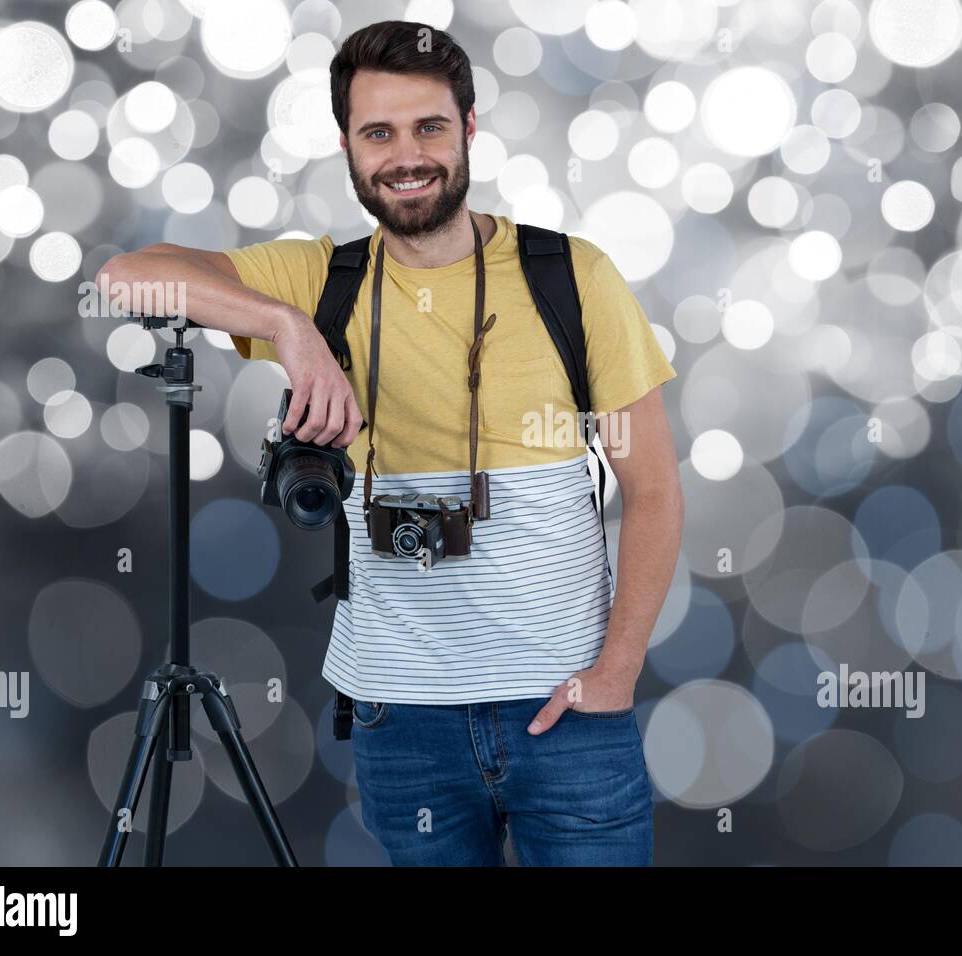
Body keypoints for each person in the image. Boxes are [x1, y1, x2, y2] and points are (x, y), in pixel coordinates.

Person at [98, 19, 684, 866]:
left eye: (429, 128)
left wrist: (620, 669)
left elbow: (656, 490)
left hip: (567, 716)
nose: (406, 155)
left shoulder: (572, 277)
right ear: (347, 147)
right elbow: (124, 278)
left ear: (470, 129)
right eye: (379, 133)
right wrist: (287, 328)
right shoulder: (318, 280)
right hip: (400, 723)